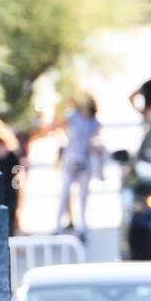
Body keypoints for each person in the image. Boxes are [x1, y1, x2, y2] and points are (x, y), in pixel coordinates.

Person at [55, 96, 102, 239]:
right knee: (64, 193)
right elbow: (58, 125)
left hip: (84, 161)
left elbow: (95, 143)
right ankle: (57, 226)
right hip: (71, 159)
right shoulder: (73, 117)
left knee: (82, 196)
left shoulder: (94, 123)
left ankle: (82, 227)